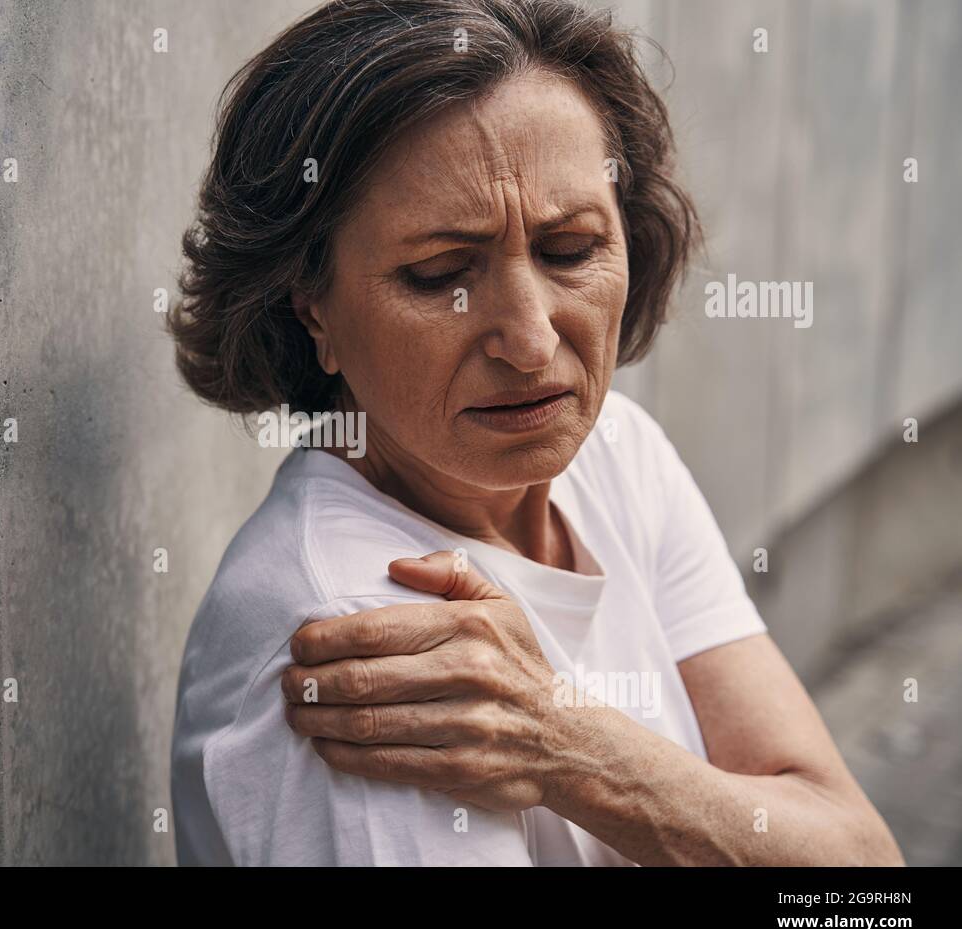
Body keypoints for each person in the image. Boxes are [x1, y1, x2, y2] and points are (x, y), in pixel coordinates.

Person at [167, 0, 903, 866]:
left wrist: (572, 746)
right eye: (440, 274)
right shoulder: (363, 654)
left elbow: (860, 870)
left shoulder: (618, 454)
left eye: (570, 250)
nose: (530, 339)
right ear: (311, 307)